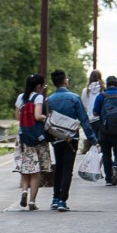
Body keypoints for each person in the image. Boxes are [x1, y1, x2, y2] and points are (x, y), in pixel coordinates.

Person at [45, 69, 98, 212]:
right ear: (64, 81)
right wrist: (93, 139)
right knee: (67, 169)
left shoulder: (49, 100)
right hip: (71, 138)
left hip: (56, 138)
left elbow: (46, 121)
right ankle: (62, 200)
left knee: (59, 168)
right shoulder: (74, 98)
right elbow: (84, 120)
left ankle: (55, 199)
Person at [13, 74, 51, 211]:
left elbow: (17, 116)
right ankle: (32, 202)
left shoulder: (21, 97)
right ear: (38, 86)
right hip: (36, 138)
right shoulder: (39, 97)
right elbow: (37, 116)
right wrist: (46, 117)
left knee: (25, 168)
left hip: (23, 137)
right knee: (36, 171)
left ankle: (24, 192)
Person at [80, 69, 104, 154]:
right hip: (101, 119)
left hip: (90, 120)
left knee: (92, 144)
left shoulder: (85, 91)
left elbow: (84, 105)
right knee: (102, 143)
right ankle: (100, 162)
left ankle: (92, 163)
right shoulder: (103, 89)